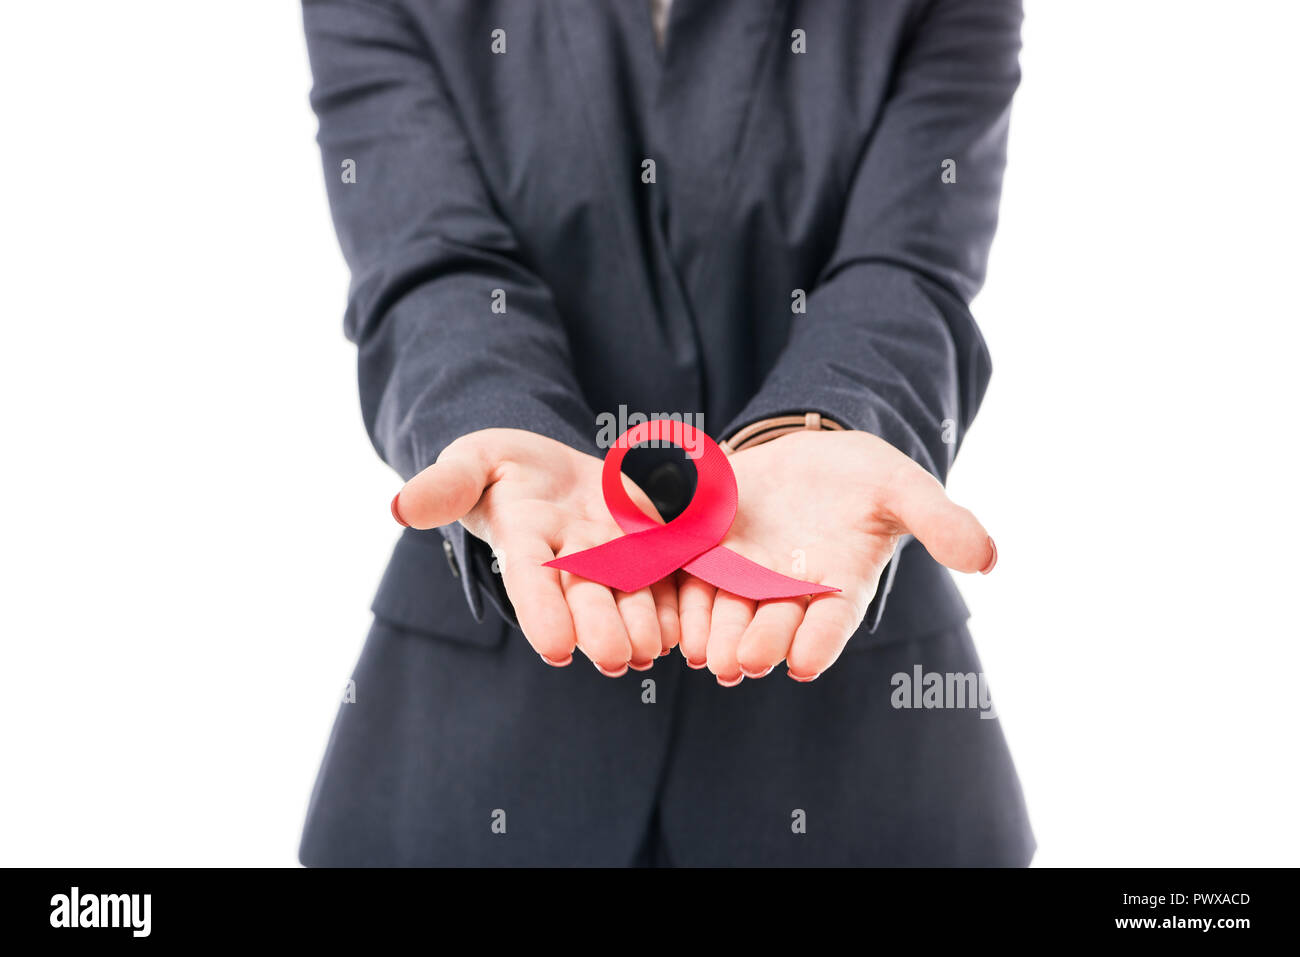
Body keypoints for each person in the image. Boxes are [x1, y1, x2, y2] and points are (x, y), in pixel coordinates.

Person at [298, 0, 1034, 866]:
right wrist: (497, 426)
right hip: (477, 749)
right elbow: (430, 263)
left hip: (853, 744)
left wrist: (822, 421)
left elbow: (909, 264)